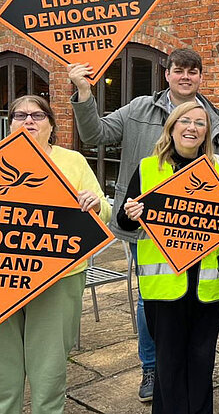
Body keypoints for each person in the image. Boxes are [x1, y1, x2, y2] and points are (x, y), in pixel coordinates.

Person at [67, 48, 219, 401]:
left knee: (194, 309)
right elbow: (95, 133)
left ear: (201, 76)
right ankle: (151, 366)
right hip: (144, 228)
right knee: (152, 298)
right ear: (167, 73)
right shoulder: (139, 108)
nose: (185, 76)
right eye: (179, 70)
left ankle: (185, 373)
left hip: (201, 237)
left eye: (192, 71)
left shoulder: (218, 120)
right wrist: (83, 92)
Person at [119, 101, 219, 414]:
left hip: (207, 286)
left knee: (202, 360)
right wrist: (131, 213)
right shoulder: (149, 168)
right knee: (169, 363)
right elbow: (124, 221)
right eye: (185, 121)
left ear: (207, 132)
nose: (192, 128)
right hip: (165, 287)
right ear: (172, 127)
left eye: (200, 123)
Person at [0, 95, 111, 414]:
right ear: (10, 124)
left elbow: (104, 210)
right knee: (3, 366)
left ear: (51, 124)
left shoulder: (73, 160)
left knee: (49, 365)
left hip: (60, 275)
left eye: (37, 115)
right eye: (20, 115)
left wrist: (95, 203)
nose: (28, 121)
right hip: (5, 275)